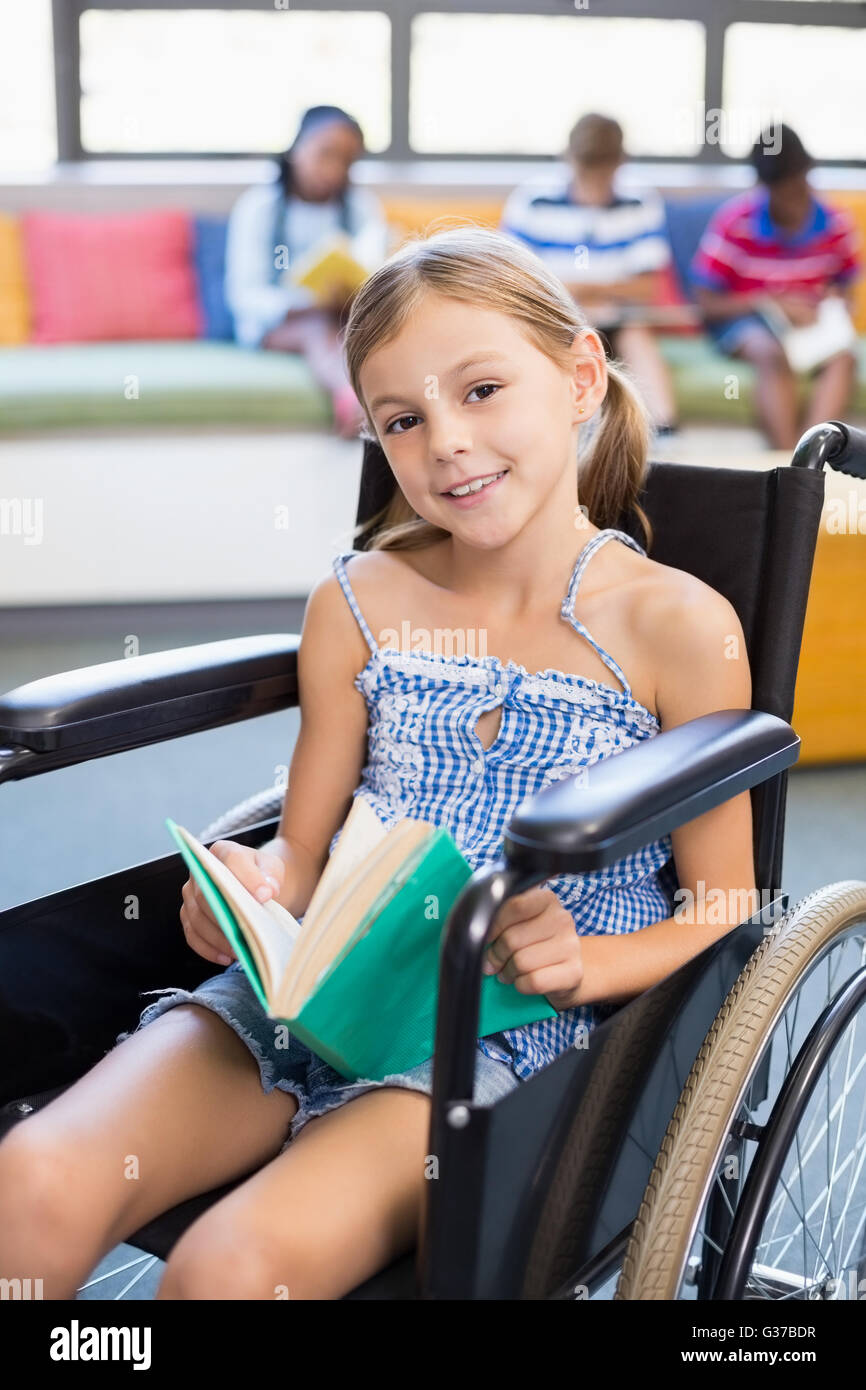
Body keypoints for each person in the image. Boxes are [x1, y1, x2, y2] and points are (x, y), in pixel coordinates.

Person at [0, 226, 757, 1301]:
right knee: (30, 1176)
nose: (446, 441)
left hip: (505, 1030)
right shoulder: (357, 601)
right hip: (317, 990)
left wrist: (578, 963)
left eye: (482, 388)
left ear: (579, 376)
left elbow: (725, 904)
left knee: (229, 1269)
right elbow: (301, 851)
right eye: (402, 418)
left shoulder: (677, 626)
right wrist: (253, 895)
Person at [500, 112, 679, 436]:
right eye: (587, 173)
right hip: (556, 316)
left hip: (619, 319)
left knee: (636, 335)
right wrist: (591, 294)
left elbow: (646, 287)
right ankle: (554, 431)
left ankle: (664, 431)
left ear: (621, 163)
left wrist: (577, 288)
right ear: (568, 159)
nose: (594, 186)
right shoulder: (532, 201)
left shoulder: (641, 201)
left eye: (603, 175)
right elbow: (513, 281)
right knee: (567, 337)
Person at [689, 124, 862, 450]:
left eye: (797, 188)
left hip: (811, 328)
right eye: (781, 191)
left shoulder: (836, 223)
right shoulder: (735, 222)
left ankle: (809, 461)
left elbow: (846, 290)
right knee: (769, 352)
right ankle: (788, 464)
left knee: (844, 360)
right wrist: (768, 303)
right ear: (764, 186)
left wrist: (829, 306)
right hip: (748, 323)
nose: (791, 202)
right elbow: (706, 303)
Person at [224, 104, 390, 438]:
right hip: (277, 322)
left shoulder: (360, 208)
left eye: (346, 161)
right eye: (325, 154)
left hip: (343, 313)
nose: (334, 169)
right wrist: (305, 301)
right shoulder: (260, 208)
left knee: (368, 329)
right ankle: (352, 401)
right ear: (296, 149)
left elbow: (375, 270)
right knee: (317, 328)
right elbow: (244, 296)